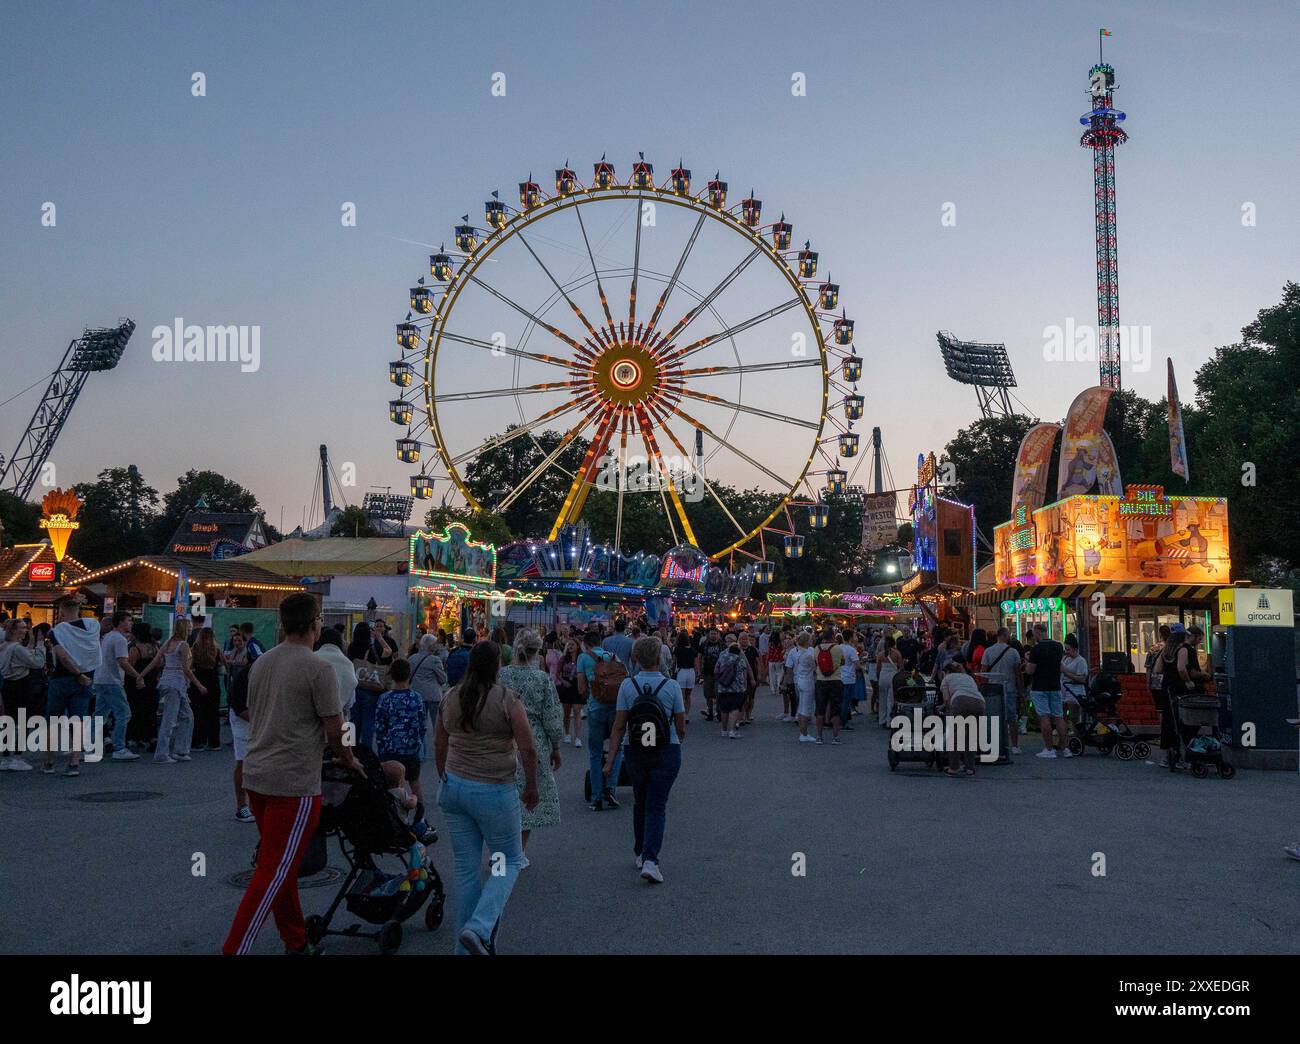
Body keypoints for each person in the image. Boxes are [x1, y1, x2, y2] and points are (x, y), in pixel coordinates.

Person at [223, 593, 357, 955]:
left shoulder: (262, 662)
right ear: (316, 624)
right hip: (294, 782)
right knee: (272, 873)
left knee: (279, 867)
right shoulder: (319, 669)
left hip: (257, 775)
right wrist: (350, 761)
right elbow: (335, 729)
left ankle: (296, 942)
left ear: (282, 624)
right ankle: (233, 949)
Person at [434, 641, 539, 955]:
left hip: (455, 787)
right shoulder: (506, 699)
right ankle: (480, 928)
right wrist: (531, 786)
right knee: (507, 861)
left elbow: (439, 743)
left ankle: (466, 948)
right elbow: (527, 747)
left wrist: (444, 775)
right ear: (496, 666)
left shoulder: (451, 696)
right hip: (493, 787)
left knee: (467, 868)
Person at [605, 636, 686, 883]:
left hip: (635, 749)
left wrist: (609, 761)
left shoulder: (627, 687)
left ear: (636, 659)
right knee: (657, 805)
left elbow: (619, 726)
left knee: (640, 802)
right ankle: (651, 860)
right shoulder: (671, 686)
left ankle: (640, 852)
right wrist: (675, 740)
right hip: (666, 749)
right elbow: (681, 727)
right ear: (659, 658)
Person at [499, 629, 563, 852]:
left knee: (503, 796)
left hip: (503, 738)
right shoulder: (542, 679)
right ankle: (517, 851)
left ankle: (500, 850)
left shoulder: (502, 675)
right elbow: (552, 718)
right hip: (533, 738)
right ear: (538, 651)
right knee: (528, 798)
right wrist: (556, 746)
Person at [375, 658, 435, 843]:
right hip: (410, 748)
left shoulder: (385, 698)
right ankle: (420, 817)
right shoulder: (416, 697)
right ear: (409, 675)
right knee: (414, 781)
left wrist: (382, 745)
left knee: (389, 783)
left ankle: (388, 816)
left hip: (390, 748)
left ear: (391, 675)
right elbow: (421, 723)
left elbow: (379, 725)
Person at [44, 596, 102, 776]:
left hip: (62, 679)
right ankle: (74, 763)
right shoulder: (92, 627)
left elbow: (63, 657)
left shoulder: (57, 631)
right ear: (78, 609)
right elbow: (92, 651)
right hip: (87, 678)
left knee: (53, 721)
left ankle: (50, 761)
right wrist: (84, 675)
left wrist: (76, 672)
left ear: (61, 612)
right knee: (79, 720)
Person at [139, 618, 202, 765]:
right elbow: (186, 669)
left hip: (168, 681)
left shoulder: (168, 643)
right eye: (189, 627)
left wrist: (141, 675)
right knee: (170, 719)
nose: (191, 629)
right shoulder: (184, 645)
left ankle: (179, 750)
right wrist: (199, 685)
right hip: (177, 683)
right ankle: (162, 753)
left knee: (186, 716)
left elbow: (155, 662)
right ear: (185, 629)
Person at [577, 629, 624, 811]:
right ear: (600, 642)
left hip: (595, 708)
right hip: (614, 707)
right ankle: (611, 789)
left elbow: (581, 686)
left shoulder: (583, 658)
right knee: (616, 748)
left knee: (595, 753)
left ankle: (596, 797)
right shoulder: (613, 657)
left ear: (586, 644)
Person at [91, 610, 144, 762]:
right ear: (121, 622)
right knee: (123, 713)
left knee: (100, 713)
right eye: (129, 620)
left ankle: (89, 744)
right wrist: (137, 675)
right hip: (112, 680)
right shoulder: (120, 639)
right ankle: (119, 747)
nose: (131, 623)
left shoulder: (107, 637)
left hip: (100, 678)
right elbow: (122, 661)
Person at [0, 619, 46, 771]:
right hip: (21, 684)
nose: (25, 630)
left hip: (7, 684)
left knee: (8, 721)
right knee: (22, 721)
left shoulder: (4, 646)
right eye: (22, 628)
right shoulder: (16, 648)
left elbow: (24, 655)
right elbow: (37, 663)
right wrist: (40, 645)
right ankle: (18, 757)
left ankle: (6, 757)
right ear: (14, 630)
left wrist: (31, 642)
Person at [1024, 623, 1069, 759]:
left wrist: (1026, 662)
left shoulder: (1036, 649)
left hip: (1040, 687)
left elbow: (1030, 670)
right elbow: (1059, 665)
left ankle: (1049, 749)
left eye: (1034, 634)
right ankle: (1065, 748)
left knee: (1044, 717)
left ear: (1037, 633)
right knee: (1059, 717)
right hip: (1055, 685)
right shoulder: (1058, 646)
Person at [979, 627, 1023, 756]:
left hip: (992, 688)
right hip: (1009, 688)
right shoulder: (1013, 652)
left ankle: (994, 744)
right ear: (1005, 635)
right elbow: (1017, 672)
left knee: (993, 716)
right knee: (1011, 717)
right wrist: (1020, 688)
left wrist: (983, 686)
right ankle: (1014, 746)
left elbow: (984, 670)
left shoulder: (988, 651)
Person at [938, 661, 986, 777]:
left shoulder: (947, 678)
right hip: (980, 702)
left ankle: (954, 767)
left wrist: (944, 708)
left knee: (954, 735)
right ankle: (970, 768)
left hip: (960, 701)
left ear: (947, 672)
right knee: (971, 736)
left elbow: (946, 699)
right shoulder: (968, 677)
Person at [226, 646, 255, 822]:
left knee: (254, 762)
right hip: (243, 716)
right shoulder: (244, 677)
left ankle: (252, 805)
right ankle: (242, 806)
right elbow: (238, 707)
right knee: (244, 760)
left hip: (253, 715)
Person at [347, 622, 386, 751]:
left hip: (355, 685)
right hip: (371, 686)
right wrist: (379, 638)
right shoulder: (374, 647)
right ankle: (366, 750)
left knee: (353, 718)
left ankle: (351, 747)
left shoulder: (352, 647)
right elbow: (388, 654)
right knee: (368, 720)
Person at [407, 632, 448, 747]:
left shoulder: (412, 658)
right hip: (433, 695)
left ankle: (420, 746)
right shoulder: (435, 660)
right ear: (430, 646)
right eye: (435, 644)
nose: (437, 646)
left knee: (420, 722)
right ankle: (437, 745)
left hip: (416, 693)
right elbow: (443, 679)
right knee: (436, 722)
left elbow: (408, 676)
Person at [189, 627, 224, 751]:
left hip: (199, 680)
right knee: (213, 712)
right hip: (213, 681)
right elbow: (223, 663)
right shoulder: (217, 648)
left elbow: (190, 666)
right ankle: (214, 742)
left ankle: (198, 741)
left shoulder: (195, 648)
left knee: (198, 712)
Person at [127, 621, 160, 750]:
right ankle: (152, 738)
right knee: (150, 711)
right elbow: (160, 663)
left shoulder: (135, 648)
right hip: (152, 682)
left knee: (135, 711)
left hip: (136, 683)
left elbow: (129, 665)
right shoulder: (155, 647)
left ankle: (134, 737)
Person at [313, 626, 358, 721]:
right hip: (338, 717)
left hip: (311, 717)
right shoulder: (347, 663)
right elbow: (351, 700)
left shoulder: (312, 658)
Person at [713, 633, 751, 739]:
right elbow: (744, 673)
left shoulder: (722, 657)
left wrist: (720, 679)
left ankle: (724, 730)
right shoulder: (740, 658)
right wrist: (745, 685)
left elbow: (716, 670)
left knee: (724, 709)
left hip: (723, 686)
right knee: (734, 709)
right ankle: (732, 731)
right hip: (737, 688)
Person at [787, 631, 817, 742]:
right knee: (805, 708)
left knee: (801, 707)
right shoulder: (808, 654)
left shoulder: (798, 652)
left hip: (799, 680)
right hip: (807, 681)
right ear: (806, 641)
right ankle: (804, 733)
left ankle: (803, 732)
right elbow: (815, 668)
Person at [556, 637, 583, 747]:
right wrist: (563, 681)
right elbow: (557, 673)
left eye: (572, 644)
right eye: (569, 645)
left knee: (577, 711)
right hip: (566, 686)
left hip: (577, 686)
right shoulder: (563, 659)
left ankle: (577, 737)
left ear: (577, 646)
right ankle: (567, 733)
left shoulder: (581, 658)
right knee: (566, 713)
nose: (570, 646)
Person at [1061, 634, 1089, 735]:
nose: (1067, 652)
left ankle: (1077, 735)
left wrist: (1066, 672)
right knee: (1061, 715)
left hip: (1074, 691)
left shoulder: (1081, 661)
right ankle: (1063, 737)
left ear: (1075, 649)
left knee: (1074, 717)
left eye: (1068, 649)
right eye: (1065, 649)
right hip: (1063, 690)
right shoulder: (1066, 659)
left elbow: (1082, 679)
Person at [696, 627, 723, 722]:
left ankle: (719, 712)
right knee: (708, 693)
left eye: (715, 633)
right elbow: (699, 658)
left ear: (718, 634)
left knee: (718, 692)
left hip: (719, 673)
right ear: (708, 634)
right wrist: (699, 671)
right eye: (711, 633)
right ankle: (710, 712)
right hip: (707, 672)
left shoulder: (721, 645)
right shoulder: (704, 645)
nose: (713, 635)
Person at [875, 635, 902, 729]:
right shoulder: (897, 653)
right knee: (891, 700)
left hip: (883, 675)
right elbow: (900, 667)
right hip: (893, 677)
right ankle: (889, 721)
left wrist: (878, 677)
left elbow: (878, 668)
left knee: (882, 699)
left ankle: (882, 720)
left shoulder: (880, 654)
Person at [672, 631, 697, 719]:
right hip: (691, 672)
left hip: (681, 671)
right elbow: (695, 664)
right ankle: (687, 714)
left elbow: (674, 662)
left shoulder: (677, 649)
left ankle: (680, 714)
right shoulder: (693, 650)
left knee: (681, 695)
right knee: (688, 695)